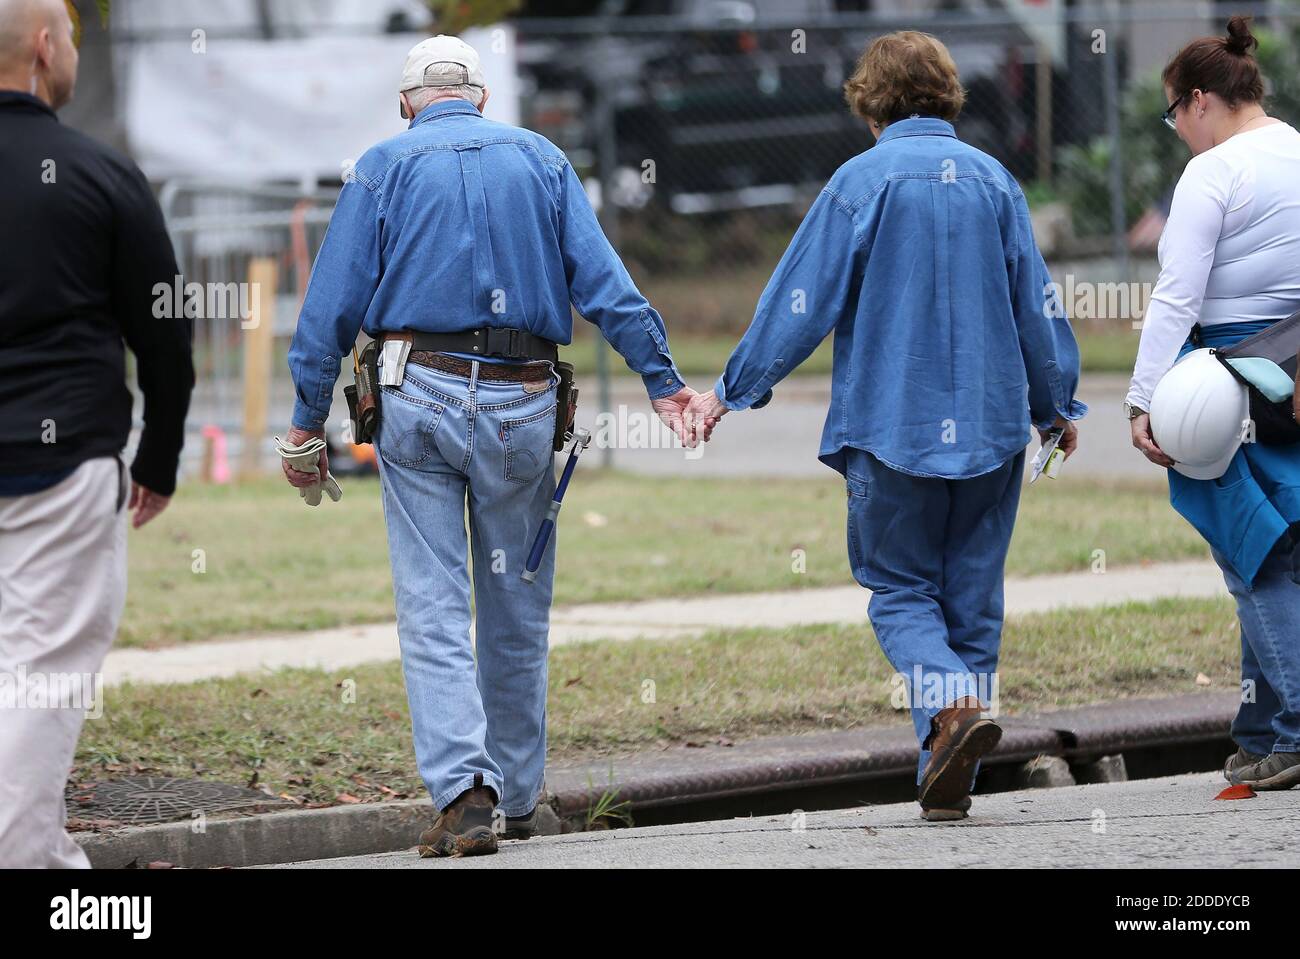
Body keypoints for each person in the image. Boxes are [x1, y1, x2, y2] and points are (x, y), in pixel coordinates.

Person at [285, 35, 709, 857]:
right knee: (515, 602)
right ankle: (517, 797)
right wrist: (663, 380)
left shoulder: (381, 166)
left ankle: (462, 790)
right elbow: (606, 284)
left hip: (418, 393)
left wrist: (304, 424)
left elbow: (328, 309)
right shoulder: (543, 160)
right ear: (481, 98)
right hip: (524, 398)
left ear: (407, 104)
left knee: (434, 601)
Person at [684, 30, 1084, 820]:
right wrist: (1057, 404)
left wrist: (732, 390)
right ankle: (950, 770)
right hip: (992, 425)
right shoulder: (996, 181)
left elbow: (800, 302)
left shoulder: (858, 183)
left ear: (872, 107)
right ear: (947, 96)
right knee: (972, 598)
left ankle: (949, 718)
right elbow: (1036, 305)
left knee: (899, 587)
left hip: (889, 425)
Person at [0, 0, 195, 866]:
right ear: (45, 48)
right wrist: (158, 456)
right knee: (42, 673)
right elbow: (165, 335)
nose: (73, 48)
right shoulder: (99, 173)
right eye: (73, 34)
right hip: (61, 461)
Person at [1126, 16, 1300, 790]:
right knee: (1282, 547)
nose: (1177, 134)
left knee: (1250, 557)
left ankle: (1292, 733)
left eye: (1173, 116)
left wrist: (1141, 400)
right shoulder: (1297, 149)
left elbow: (1176, 295)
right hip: (1295, 369)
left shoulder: (1213, 171)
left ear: (1200, 100)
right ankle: (1261, 728)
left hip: (1224, 383)